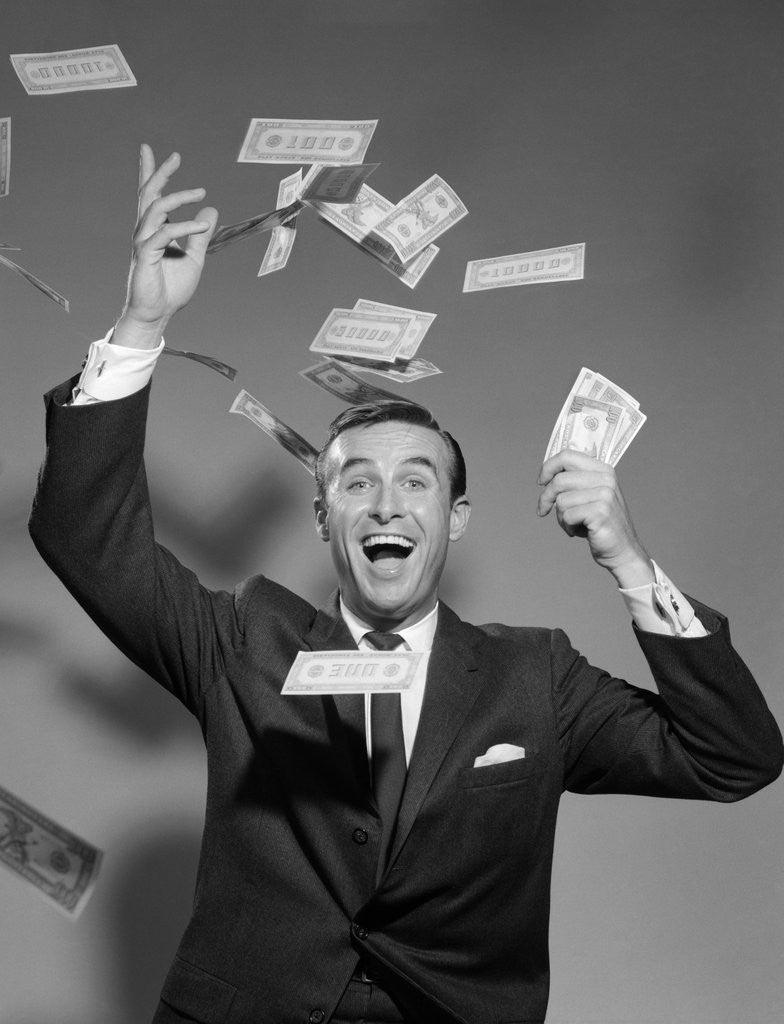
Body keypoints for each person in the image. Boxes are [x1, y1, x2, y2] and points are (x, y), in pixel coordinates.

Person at [29, 146, 783, 1024]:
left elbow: (735, 756)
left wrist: (629, 561)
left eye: (418, 482)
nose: (387, 504)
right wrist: (141, 321)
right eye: (356, 483)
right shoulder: (245, 645)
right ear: (323, 518)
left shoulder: (536, 679)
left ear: (455, 518)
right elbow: (85, 537)